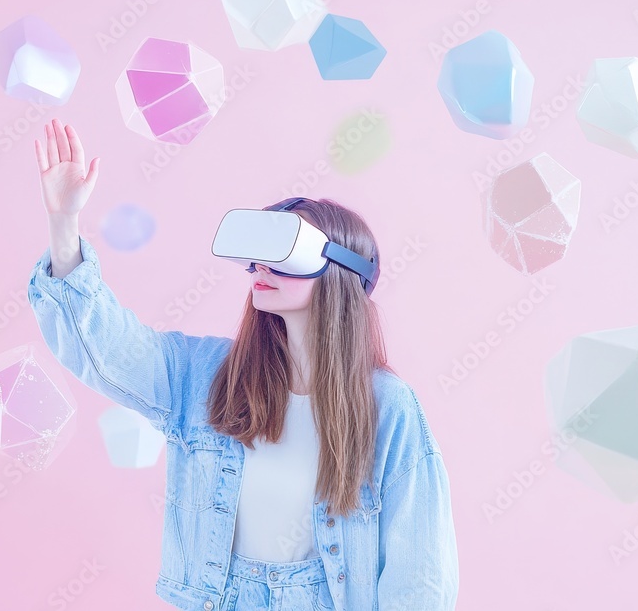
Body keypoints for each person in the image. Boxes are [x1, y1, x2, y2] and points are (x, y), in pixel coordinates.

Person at [27, 119, 459, 611]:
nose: (261, 269)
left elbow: (419, 575)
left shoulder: (388, 408)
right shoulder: (205, 377)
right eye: (257, 256)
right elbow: (102, 349)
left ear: (339, 270)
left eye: (283, 254)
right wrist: (64, 225)